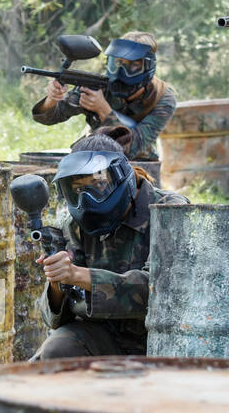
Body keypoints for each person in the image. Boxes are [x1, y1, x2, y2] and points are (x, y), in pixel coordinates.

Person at [32, 134, 190, 359]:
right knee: (56, 350)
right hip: (105, 336)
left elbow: (162, 292)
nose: (87, 200)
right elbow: (55, 320)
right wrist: (58, 281)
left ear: (121, 177)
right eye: (78, 190)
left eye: (98, 185)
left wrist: (78, 275)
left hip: (163, 338)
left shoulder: (169, 211)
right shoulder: (76, 225)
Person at [32, 32, 177, 161]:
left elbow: (134, 147)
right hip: (94, 154)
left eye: (133, 65)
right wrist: (52, 99)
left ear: (148, 66)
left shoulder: (163, 98)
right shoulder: (99, 86)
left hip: (140, 163)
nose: (121, 72)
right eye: (118, 63)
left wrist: (103, 110)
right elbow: (50, 117)